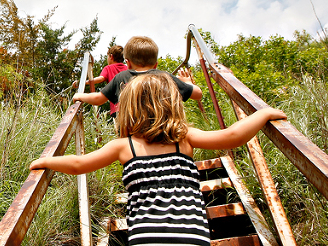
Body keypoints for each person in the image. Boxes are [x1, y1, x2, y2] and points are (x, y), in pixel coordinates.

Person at [30, 72, 287, 246]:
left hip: (145, 237)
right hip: (193, 235)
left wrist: (46, 161)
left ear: (128, 110)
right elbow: (232, 136)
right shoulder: (184, 138)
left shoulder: (122, 147)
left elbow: (78, 164)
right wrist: (262, 114)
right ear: (172, 105)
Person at [73, 36, 202, 109]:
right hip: (161, 131)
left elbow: (98, 99)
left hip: (130, 134)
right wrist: (188, 82)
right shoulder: (165, 77)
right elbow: (197, 94)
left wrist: (79, 96)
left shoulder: (121, 77)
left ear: (128, 63)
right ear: (156, 65)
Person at [89, 45, 128, 118]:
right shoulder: (127, 68)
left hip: (117, 106)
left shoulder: (108, 68)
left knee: (120, 127)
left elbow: (100, 79)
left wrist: (86, 82)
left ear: (111, 56)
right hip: (130, 105)